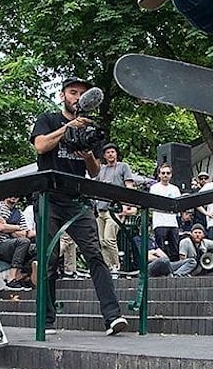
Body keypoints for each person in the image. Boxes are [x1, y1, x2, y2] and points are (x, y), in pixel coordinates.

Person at [29, 78, 127, 335]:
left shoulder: (89, 128)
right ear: (63, 96)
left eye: (83, 94)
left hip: (77, 199)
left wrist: (87, 155)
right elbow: (40, 146)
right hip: (48, 198)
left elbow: (94, 172)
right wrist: (68, 127)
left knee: (95, 254)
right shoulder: (48, 119)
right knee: (48, 258)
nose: (78, 97)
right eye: (73, 93)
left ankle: (113, 316)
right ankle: (46, 320)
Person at [93, 143, 135, 272]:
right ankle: (108, 267)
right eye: (108, 152)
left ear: (116, 154)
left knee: (109, 239)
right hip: (101, 209)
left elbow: (129, 186)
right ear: (104, 155)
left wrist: (127, 206)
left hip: (115, 209)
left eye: (113, 152)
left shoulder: (123, 167)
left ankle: (116, 266)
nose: (110, 154)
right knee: (102, 241)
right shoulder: (101, 169)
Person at [149, 164, 182, 261]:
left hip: (173, 223)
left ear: (171, 175)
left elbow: (178, 205)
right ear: (159, 175)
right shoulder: (154, 188)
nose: (165, 175)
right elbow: (153, 204)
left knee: (174, 249)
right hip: (160, 223)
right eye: (163, 173)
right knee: (160, 249)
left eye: (168, 173)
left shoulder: (175, 189)